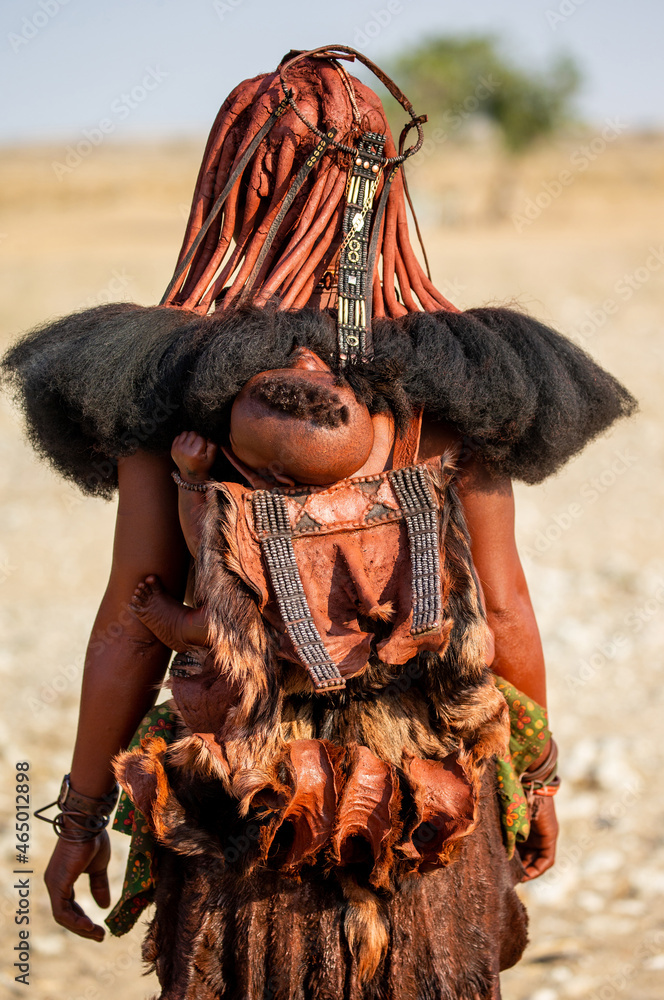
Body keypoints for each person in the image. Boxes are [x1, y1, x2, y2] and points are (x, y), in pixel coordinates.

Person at [2, 45, 635, 1000]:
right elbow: (505, 611)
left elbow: (131, 621)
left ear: (228, 183)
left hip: (238, 795)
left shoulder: (159, 379)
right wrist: (533, 784)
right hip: (427, 807)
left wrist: (81, 817)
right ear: (380, 191)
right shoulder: (457, 377)